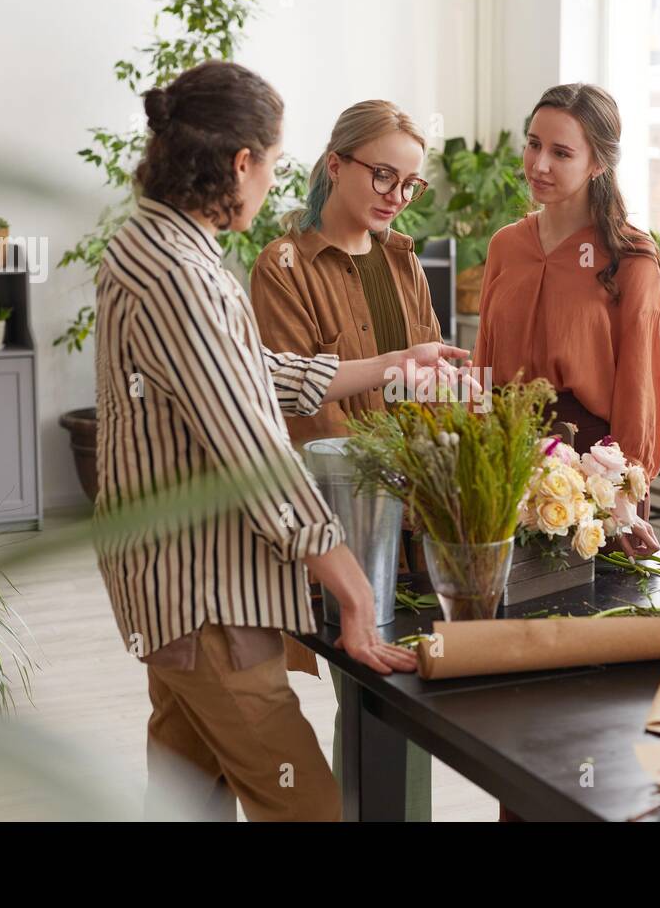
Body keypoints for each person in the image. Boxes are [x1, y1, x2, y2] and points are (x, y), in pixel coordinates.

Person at [93, 59, 466, 820]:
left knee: (185, 792)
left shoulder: (150, 245)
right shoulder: (187, 277)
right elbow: (257, 458)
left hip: (162, 579)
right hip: (205, 589)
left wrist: (389, 365)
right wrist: (355, 591)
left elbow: (250, 371)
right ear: (240, 163)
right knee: (309, 808)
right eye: (270, 163)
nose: (270, 184)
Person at [250, 99, 445, 821]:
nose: (396, 197)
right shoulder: (284, 266)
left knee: (408, 688)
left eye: (410, 185)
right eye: (383, 176)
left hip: (419, 513)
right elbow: (303, 408)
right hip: (340, 515)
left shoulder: (402, 260)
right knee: (363, 686)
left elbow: (426, 386)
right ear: (336, 165)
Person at [474, 83, 660, 557]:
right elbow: (483, 366)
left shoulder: (632, 259)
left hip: (595, 472)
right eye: (533, 144)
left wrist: (624, 497)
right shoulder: (506, 245)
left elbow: (642, 390)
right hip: (505, 464)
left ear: (598, 163)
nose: (539, 164)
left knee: (590, 618)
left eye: (561, 152)